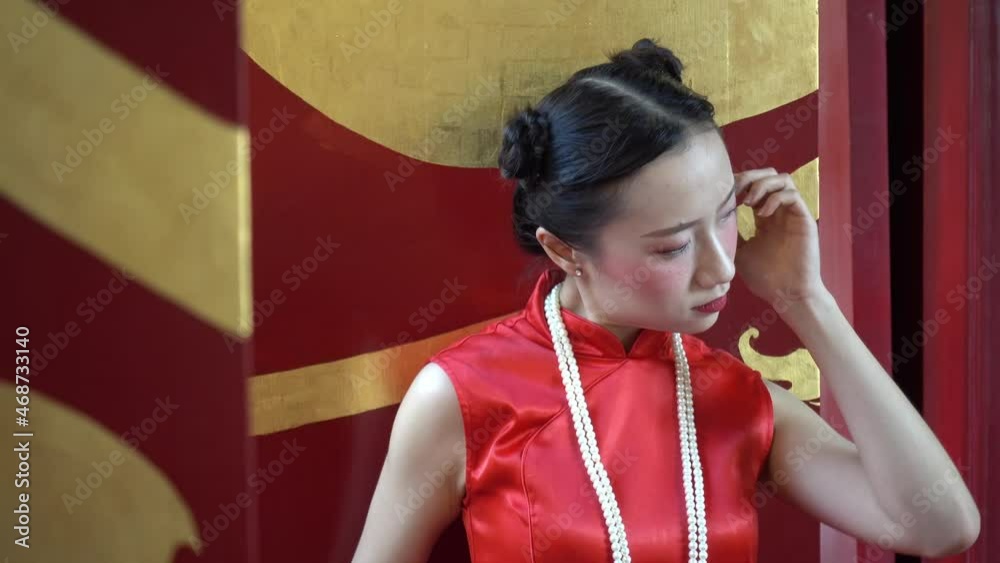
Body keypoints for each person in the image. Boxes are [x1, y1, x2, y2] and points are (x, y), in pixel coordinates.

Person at [352, 38, 980, 563]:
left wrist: (805, 299)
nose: (722, 265)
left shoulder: (733, 397)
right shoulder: (465, 395)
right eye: (673, 245)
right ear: (564, 249)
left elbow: (941, 528)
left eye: (726, 215)